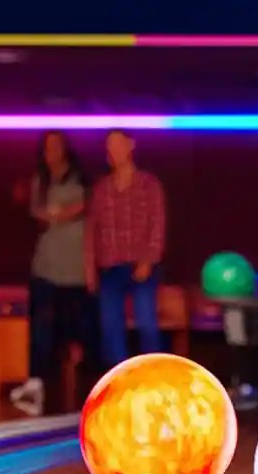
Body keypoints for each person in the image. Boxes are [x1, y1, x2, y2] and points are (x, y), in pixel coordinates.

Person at [10, 131, 92, 415]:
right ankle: (35, 384)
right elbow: (37, 213)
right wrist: (52, 213)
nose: (51, 153)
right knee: (41, 328)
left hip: (75, 269)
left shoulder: (80, 179)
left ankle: (82, 392)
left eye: (56, 147)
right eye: (47, 148)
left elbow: (82, 207)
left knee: (75, 332)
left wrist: (60, 212)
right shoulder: (40, 181)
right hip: (45, 267)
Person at [86, 129, 167, 369]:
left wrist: (148, 261)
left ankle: (153, 373)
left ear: (131, 145)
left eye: (118, 145)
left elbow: (157, 225)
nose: (113, 151)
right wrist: (89, 269)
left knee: (147, 322)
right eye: (109, 147)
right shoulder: (101, 189)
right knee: (110, 325)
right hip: (110, 267)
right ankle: (121, 375)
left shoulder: (149, 185)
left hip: (140, 265)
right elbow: (91, 232)